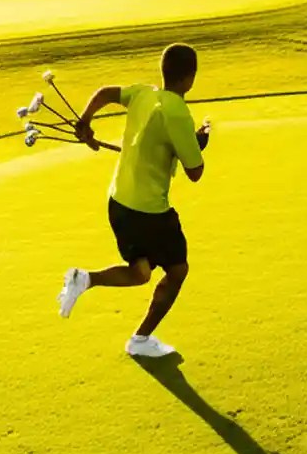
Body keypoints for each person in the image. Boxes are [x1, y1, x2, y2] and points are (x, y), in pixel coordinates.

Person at [57, 43, 211, 357]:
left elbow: (103, 93)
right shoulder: (179, 112)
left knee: (141, 272)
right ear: (190, 78)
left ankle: (82, 279)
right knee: (178, 270)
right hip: (149, 211)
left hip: (119, 202)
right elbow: (195, 171)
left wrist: (84, 122)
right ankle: (140, 341)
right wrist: (199, 142)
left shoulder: (143, 93)